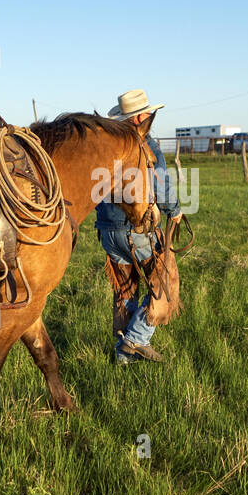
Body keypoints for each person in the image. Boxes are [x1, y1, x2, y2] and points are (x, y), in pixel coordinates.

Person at [95, 89, 180, 365]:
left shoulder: (108, 146)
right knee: (163, 281)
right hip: (135, 228)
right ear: (142, 117)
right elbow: (160, 186)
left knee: (125, 289)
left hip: (107, 230)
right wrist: (175, 211)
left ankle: (122, 356)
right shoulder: (145, 145)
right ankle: (136, 339)